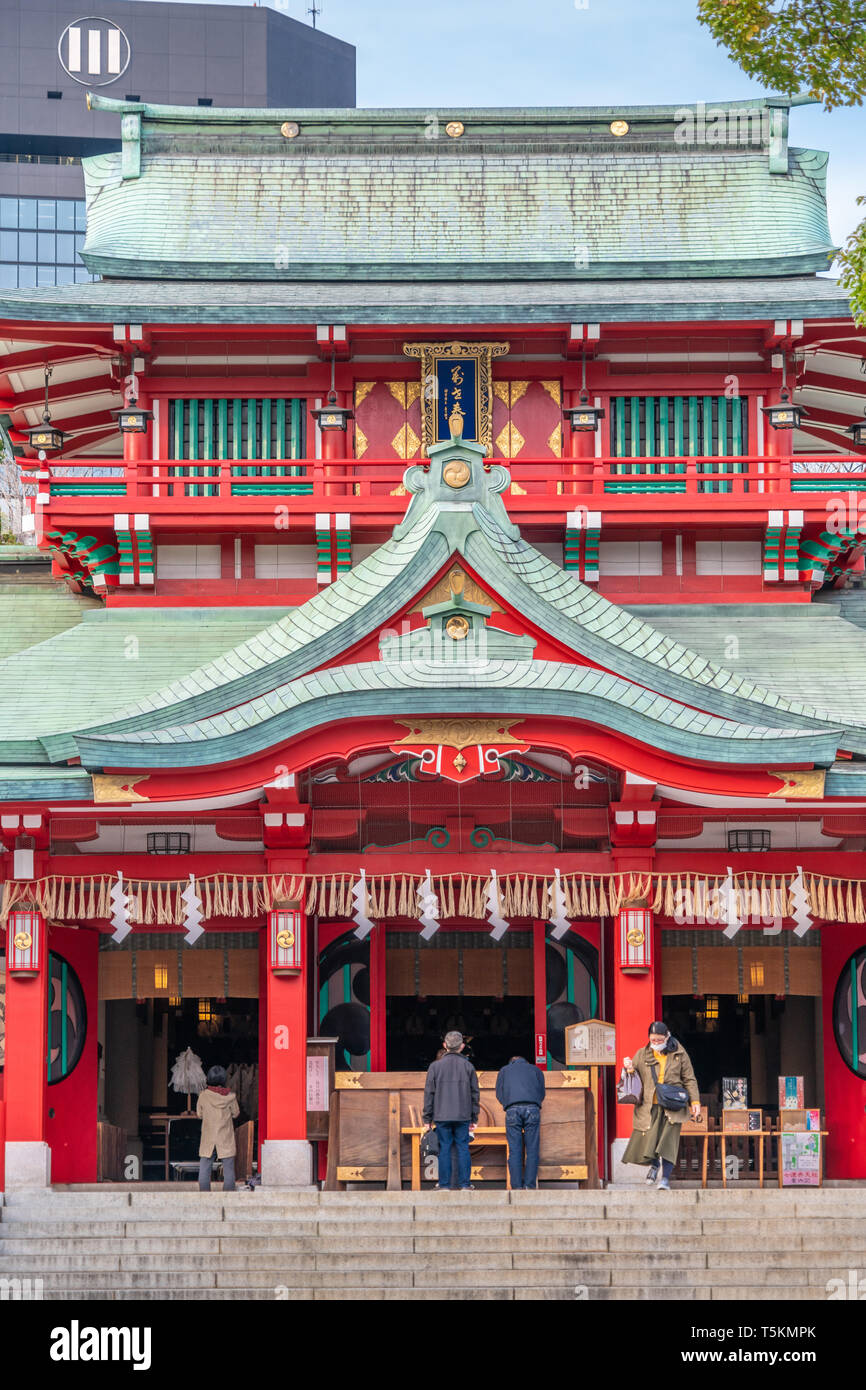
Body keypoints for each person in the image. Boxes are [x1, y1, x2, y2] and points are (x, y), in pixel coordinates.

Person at [621, 1021, 701, 1190]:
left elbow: (689, 1078)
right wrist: (628, 1069)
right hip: (650, 1106)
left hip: (673, 1106)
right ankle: (654, 1165)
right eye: (653, 1040)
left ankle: (664, 1179)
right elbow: (633, 1077)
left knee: (668, 1143)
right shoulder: (642, 1054)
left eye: (659, 1040)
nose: (656, 1043)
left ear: (667, 1036)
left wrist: (695, 1102)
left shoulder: (679, 1053)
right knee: (650, 1140)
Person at [422, 1030, 479, 1191]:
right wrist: (474, 1118)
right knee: (463, 1148)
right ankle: (465, 1185)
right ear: (462, 1046)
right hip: (463, 1115)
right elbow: (475, 1094)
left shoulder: (435, 1067)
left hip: (441, 1115)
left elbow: (429, 1094)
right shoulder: (468, 1066)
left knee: (444, 1148)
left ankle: (444, 1185)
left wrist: (427, 1119)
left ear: (445, 1046)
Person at [495, 1054, 546, 1190]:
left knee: (515, 1150)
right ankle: (529, 1185)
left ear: (511, 1062)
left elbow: (499, 1093)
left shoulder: (504, 1070)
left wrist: (507, 1105)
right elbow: (541, 1093)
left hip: (512, 1110)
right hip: (532, 1109)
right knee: (532, 1150)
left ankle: (516, 1186)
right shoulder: (536, 1070)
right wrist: (535, 1104)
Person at [197, 1064, 240, 1192]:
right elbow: (236, 1113)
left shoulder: (203, 1096)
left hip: (209, 1136)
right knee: (228, 1168)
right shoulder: (230, 1096)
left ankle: (204, 1195)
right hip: (225, 1135)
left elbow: (199, 1114)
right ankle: (228, 1196)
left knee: (205, 1166)